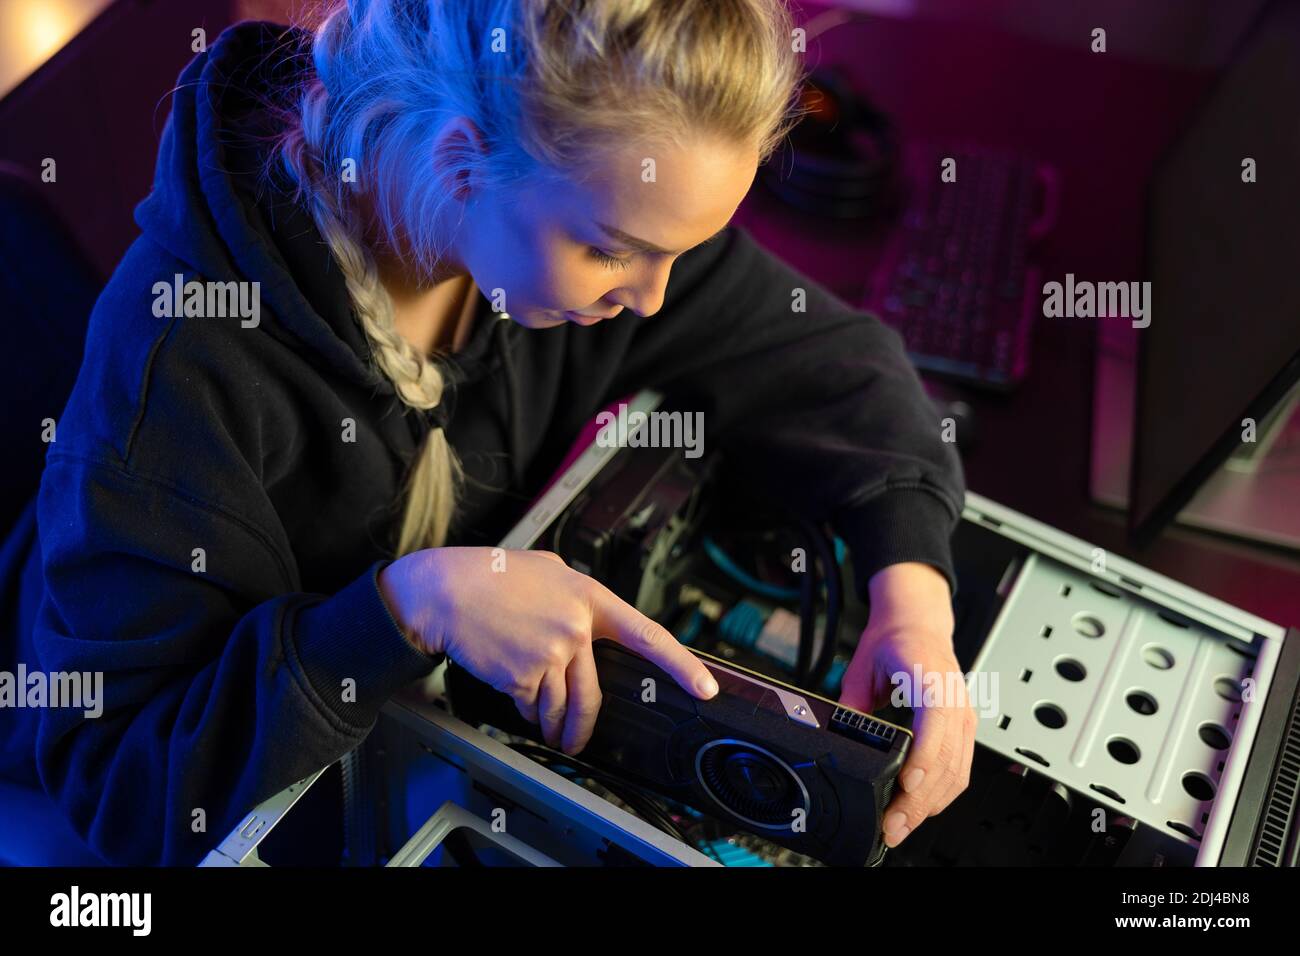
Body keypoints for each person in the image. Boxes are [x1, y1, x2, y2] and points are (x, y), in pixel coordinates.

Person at [0, 0, 972, 866]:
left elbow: (831, 359)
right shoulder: (184, 365)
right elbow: (121, 786)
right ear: (459, 160)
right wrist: (407, 606)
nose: (652, 298)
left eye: (682, 251)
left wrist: (913, 600)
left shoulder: (575, 207)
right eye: (611, 251)